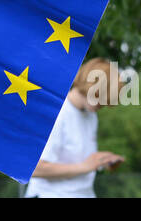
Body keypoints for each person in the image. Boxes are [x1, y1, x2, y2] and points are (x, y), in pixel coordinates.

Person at [24, 56, 125, 198]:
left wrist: (100, 161)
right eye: (102, 98)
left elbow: (78, 159)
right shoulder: (58, 113)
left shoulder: (91, 115)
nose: (103, 105)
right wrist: (85, 166)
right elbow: (34, 169)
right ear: (91, 86)